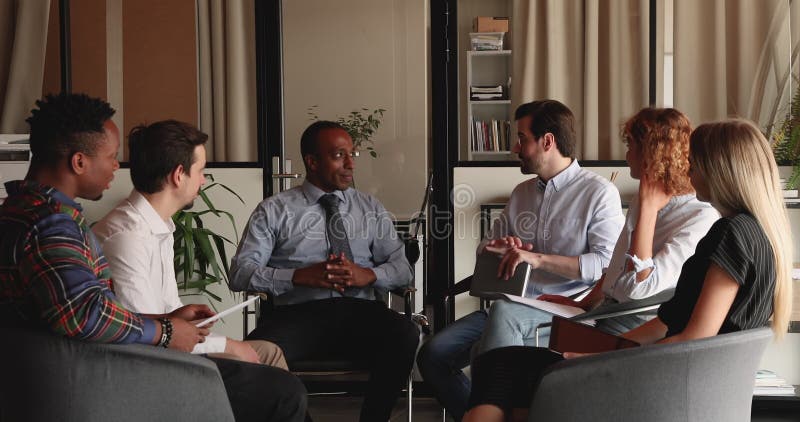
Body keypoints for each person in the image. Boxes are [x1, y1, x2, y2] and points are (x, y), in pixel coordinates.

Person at [0, 93, 307, 422]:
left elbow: (79, 309)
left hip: (72, 367)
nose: (117, 166)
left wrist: (165, 321)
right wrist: (167, 331)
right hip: (90, 377)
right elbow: (83, 315)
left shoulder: (21, 211)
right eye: (111, 156)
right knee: (281, 392)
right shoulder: (51, 223)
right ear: (79, 162)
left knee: (274, 382)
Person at [463, 118, 794, 422]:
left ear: (720, 168)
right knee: (504, 368)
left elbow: (696, 338)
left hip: (667, 379)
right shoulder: (755, 234)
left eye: (696, 160)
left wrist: (606, 359)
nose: (689, 168)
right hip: (670, 368)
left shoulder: (731, 235)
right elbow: (667, 322)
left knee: (501, 365)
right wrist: (605, 349)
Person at [416, 99, 625, 420]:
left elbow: (605, 265)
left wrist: (537, 259)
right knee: (433, 355)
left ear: (548, 141)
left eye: (522, 138)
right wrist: (498, 247)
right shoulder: (521, 193)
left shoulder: (598, 193)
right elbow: (484, 250)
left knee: (499, 328)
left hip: (565, 310)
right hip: (510, 303)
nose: (515, 146)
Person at [477, 108, 719, 353]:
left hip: (634, 326)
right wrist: (584, 303)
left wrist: (648, 208)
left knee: (504, 325)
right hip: (602, 312)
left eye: (631, 146)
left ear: (650, 154)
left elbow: (638, 287)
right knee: (494, 338)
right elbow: (614, 268)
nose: (626, 156)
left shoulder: (698, 216)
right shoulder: (641, 200)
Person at [230, 120, 420, 422]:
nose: (349, 164)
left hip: (359, 311)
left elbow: (403, 268)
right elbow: (240, 272)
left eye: (352, 155)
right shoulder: (275, 209)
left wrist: (368, 275)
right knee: (251, 357)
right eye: (338, 155)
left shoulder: (369, 207)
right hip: (298, 314)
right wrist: (297, 276)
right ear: (312, 161)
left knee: (405, 333)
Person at [92, 120, 288, 369]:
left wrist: (183, 318)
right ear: (178, 175)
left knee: (269, 352)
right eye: (201, 171)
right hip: (151, 364)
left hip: (168, 351)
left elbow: (166, 317)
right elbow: (145, 336)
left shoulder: (158, 227)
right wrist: (230, 346)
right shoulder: (127, 237)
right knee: (273, 373)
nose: (204, 181)